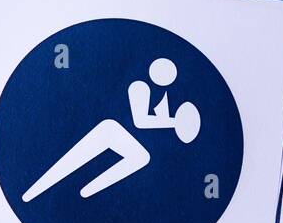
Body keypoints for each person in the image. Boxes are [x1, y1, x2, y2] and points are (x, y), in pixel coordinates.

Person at [21, 57, 201, 202]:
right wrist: (172, 122)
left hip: (127, 138)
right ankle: (33, 193)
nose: (167, 76)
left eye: (170, 73)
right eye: (164, 71)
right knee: (71, 161)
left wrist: (174, 121)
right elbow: (140, 121)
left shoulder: (165, 97)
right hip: (110, 131)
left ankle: (88, 191)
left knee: (141, 157)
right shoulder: (140, 86)